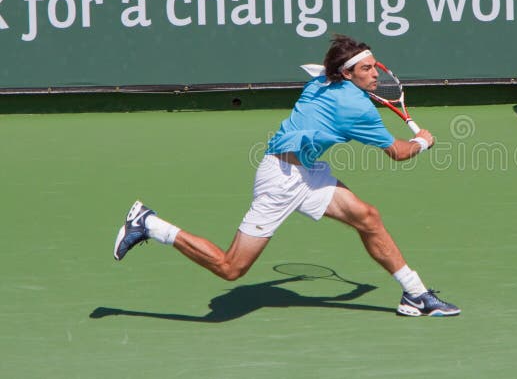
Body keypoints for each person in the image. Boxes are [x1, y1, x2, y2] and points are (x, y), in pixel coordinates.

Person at [112, 34, 460, 317]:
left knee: (367, 217)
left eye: (375, 67)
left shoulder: (322, 80)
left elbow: (320, 70)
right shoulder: (356, 108)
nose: (375, 75)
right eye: (366, 69)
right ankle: (149, 224)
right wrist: (422, 141)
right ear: (346, 74)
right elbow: (398, 152)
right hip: (281, 180)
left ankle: (415, 295)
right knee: (230, 268)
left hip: (305, 171)